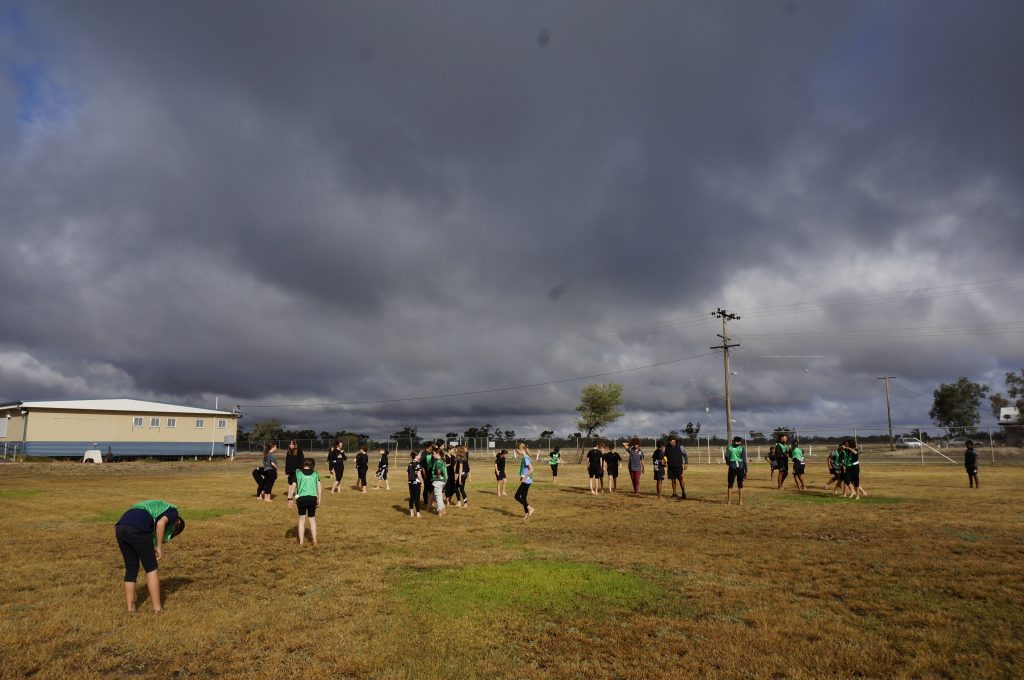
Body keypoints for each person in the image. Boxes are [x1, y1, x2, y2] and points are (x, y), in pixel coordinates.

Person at [115, 500, 185, 613]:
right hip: (138, 528)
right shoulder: (173, 512)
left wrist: (150, 546)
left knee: (131, 568)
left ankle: (130, 609)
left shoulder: (157, 508)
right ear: (176, 523)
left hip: (120, 527)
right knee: (151, 568)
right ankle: (158, 609)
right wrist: (159, 547)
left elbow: (149, 526)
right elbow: (160, 524)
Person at [288, 458, 321, 546]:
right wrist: (319, 499)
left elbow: (293, 486)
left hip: (301, 499)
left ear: (303, 464)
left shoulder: (298, 473)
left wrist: (289, 498)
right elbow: (319, 487)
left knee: (301, 520)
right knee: (312, 520)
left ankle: (301, 541)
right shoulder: (315, 473)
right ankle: (314, 540)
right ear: (312, 465)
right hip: (312, 498)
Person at [513, 442, 535, 519]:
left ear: (521, 449)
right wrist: (522, 476)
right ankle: (526, 514)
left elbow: (531, 469)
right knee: (523, 498)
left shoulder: (526, 458)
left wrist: (524, 478)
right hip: (527, 480)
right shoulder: (525, 457)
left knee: (516, 496)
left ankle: (530, 508)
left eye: (517, 450)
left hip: (526, 481)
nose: (516, 452)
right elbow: (525, 469)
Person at [724, 436, 748, 506]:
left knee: (730, 484)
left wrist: (728, 463)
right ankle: (740, 502)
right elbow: (744, 460)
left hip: (732, 466)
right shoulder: (742, 448)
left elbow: (726, 456)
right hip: (740, 467)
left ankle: (729, 502)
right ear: (740, 442)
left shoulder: (729, 447)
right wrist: (746, 471)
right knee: (740, 485)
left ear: (733, 441)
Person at [430, 445, 448, 517]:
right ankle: (443, 511)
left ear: (438, 454)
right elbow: (446, 473)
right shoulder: (442, 461)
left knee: (438, 497)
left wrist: (438, 476)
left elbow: (439, 471)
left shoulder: (438, 462)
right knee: (439, 496)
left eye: (433, 453)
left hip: (438, 481)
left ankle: (440, 512)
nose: (432, 455)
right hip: (442, 481)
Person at [407, 451, 424, 517]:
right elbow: (419, 475)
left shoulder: (410, 464)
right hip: (416, 483)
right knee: (417, 498)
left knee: (412, 497)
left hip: (410, 482)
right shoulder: (417, 464)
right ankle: (418, 513)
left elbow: (407, 474)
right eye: (419, 455)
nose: (420, 456)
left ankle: (411, 513)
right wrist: (422, 482)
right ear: (416, 456)